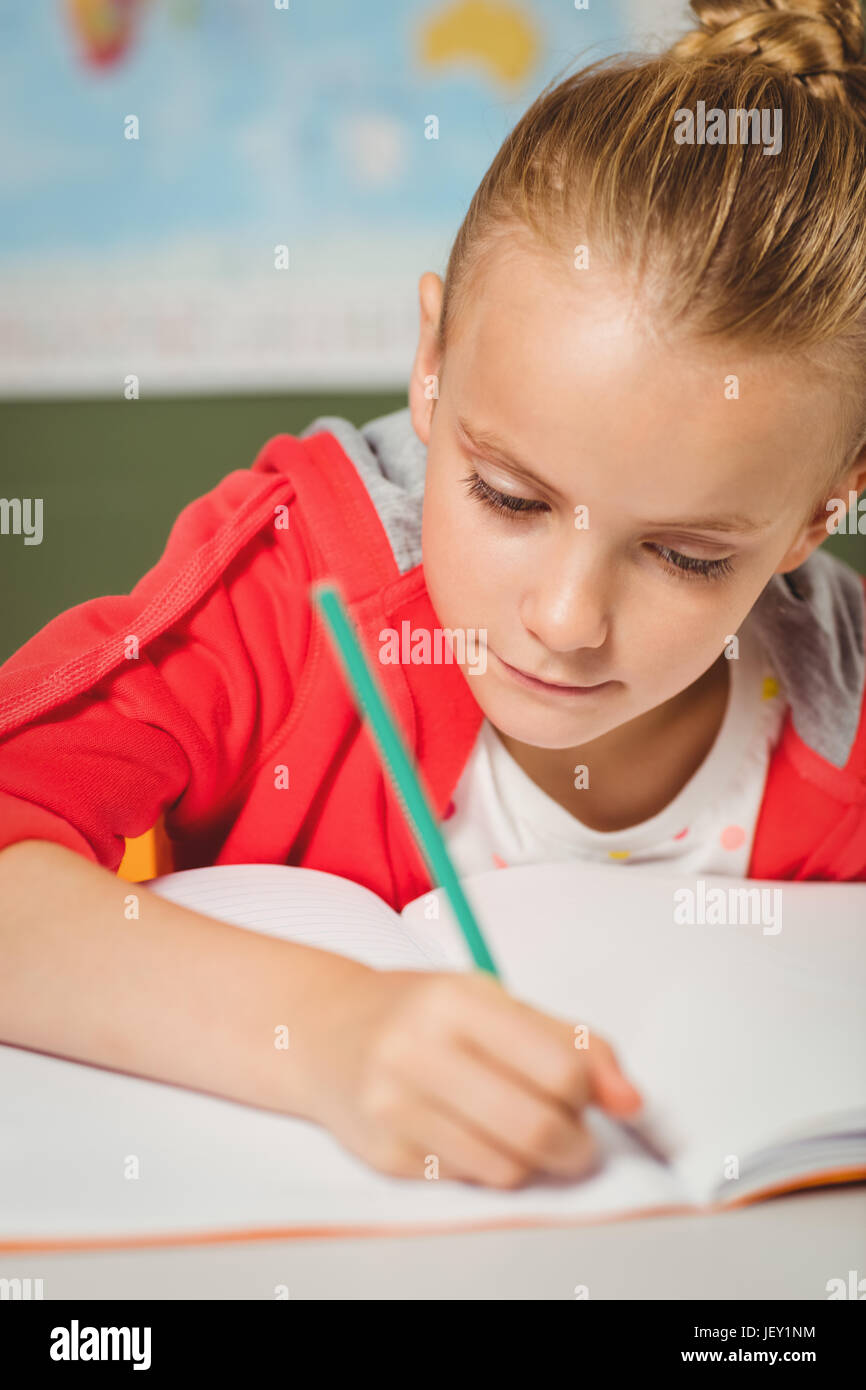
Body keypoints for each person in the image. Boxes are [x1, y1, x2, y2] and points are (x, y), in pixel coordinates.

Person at [2, 0, 865, 1190]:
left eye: (684, 555)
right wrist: (329, 1031)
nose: (563, 619)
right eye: (508, 497)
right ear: (428, 363)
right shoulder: (288, 582)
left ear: (821, 511)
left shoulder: (837, 730)